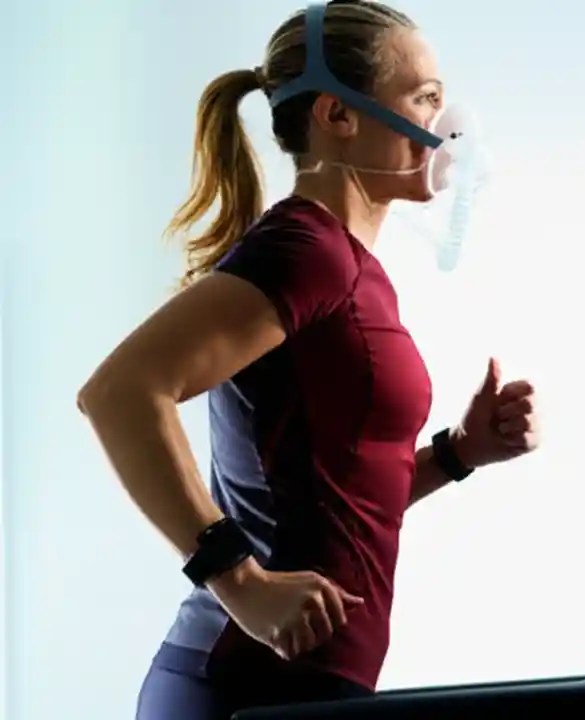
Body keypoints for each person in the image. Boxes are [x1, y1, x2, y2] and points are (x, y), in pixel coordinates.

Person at [76, 2, 539, 718]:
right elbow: (119, 393)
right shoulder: (308, 251)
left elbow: (330, 500)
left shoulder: (349, 266)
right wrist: (238, 582)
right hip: (243, 684)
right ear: (338, 114)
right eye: (425, 97)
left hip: (308, 687)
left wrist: (458, 453)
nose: (448, 123)